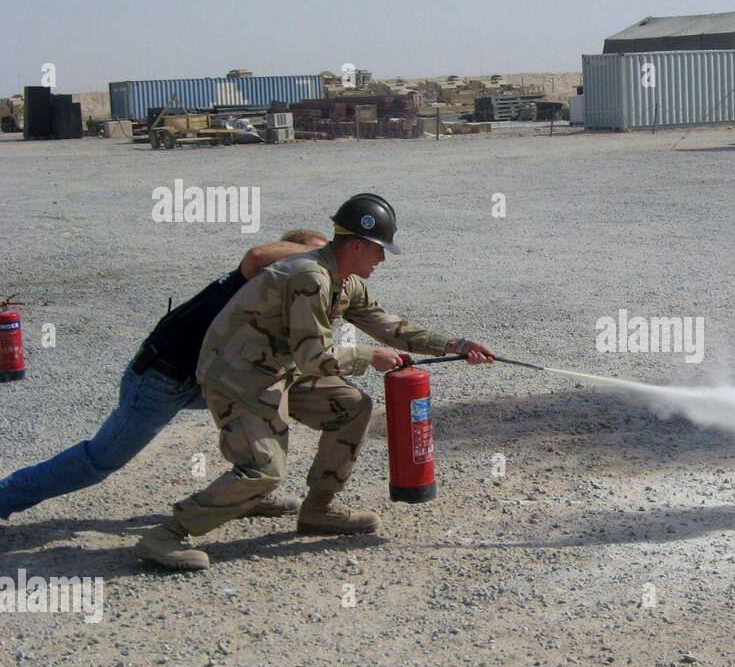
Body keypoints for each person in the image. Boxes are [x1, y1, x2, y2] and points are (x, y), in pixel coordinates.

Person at [135, 193, 495, 571]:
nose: (384, 259)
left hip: (278, 369)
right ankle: (167, 534)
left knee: (352, 406)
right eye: (379, 250)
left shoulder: (344, 279)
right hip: (238, 376)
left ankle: (319, 509)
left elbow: (386, 324)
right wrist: (368, 356)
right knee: (263, 471)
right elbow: (315, 358)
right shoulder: (310, 277)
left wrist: (452, 345)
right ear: (356, 245)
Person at [0, 229, 329, 521]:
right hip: (161, 380)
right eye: (317, 252)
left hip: (205, 378)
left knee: (271, 403)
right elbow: (257, 254)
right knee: (98, 462)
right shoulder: (254, 275)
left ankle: (247, 493)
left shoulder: (290, 292)